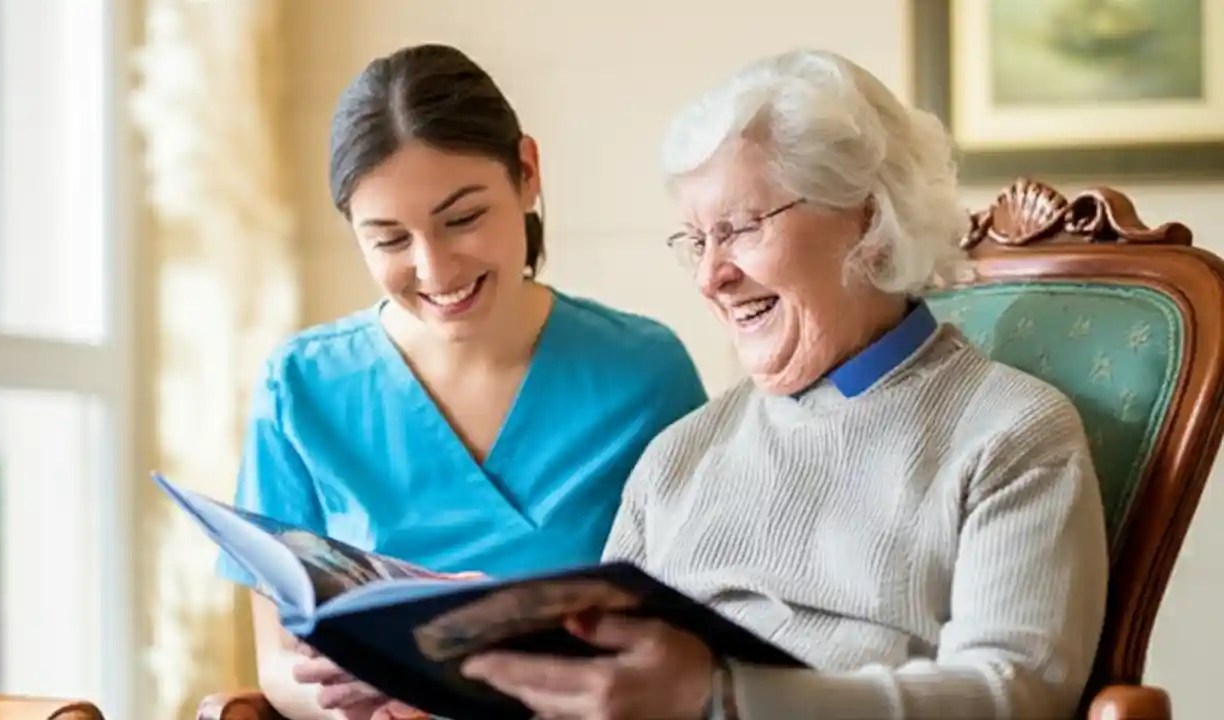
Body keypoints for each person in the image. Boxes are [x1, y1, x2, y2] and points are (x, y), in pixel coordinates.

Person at [460, 48, 1109, 719]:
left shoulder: (1009, 432)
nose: (711, 276)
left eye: (739, 229)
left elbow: (1015, 693)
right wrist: (447, 679)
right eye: (695, 240)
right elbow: (599, 680)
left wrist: (725, 698)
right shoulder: (680, 455)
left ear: (870, 219)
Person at [218, 43, 708, 720]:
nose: (436, 269)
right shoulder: (300, 386)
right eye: (390, 239)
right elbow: (278, 665)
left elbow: (695, 637)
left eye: (463, 219)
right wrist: (360, 699)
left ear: (527, 173)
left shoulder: (646, 375)